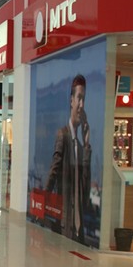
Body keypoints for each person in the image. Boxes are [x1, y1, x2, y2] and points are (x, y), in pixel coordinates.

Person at [45, 74, 91, 244]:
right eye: (79, 98)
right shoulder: (62, 135)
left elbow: (85, 193)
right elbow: (54, 170)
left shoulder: (80, 146)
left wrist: (87, 146)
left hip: (79, 230)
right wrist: (42, 203)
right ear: (71, 100)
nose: (81, 105)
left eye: (84, 99)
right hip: (65, 223)